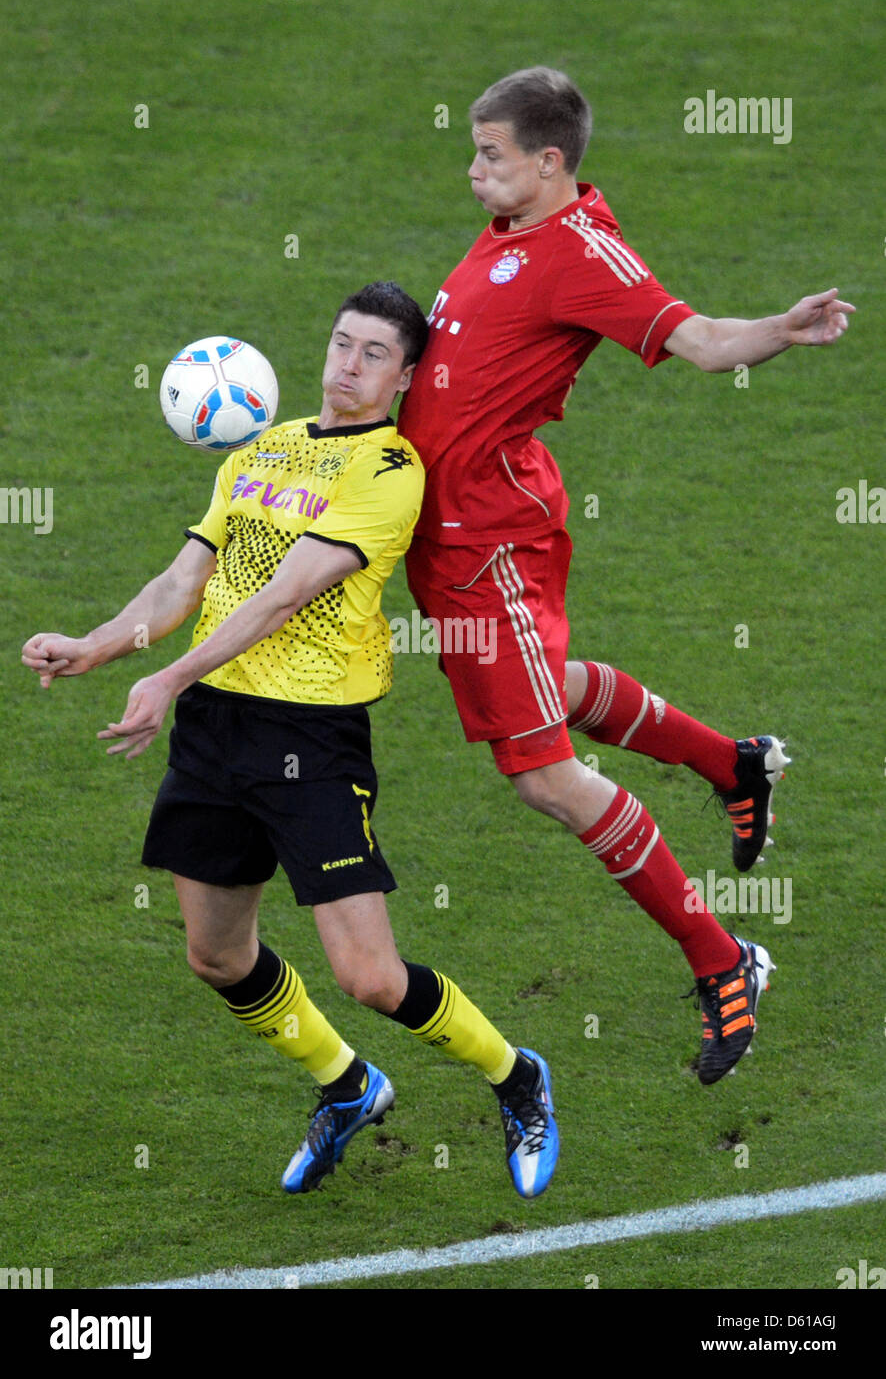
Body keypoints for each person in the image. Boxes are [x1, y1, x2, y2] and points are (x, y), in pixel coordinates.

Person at [21, 282, 559, 1200]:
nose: (347, 367)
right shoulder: (261, 447)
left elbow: (283, 597)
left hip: (310, 737)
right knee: (216, 956)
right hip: (214, 731)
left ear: (405, 374)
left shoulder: (390, 471)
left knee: (371, 976)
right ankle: (348, 1086)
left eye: (372, 354)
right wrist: (98, 645)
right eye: (340, 344)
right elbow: (185, 577)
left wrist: (169, 675)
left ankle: (518, 1076)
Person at [396, 68, 854, 1090]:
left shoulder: (577, 250)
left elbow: (694, 342)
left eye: (490, 155)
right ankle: (734, 765)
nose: (473, 171)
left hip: (492, 545)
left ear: (548, 162)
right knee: (543, 698)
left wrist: (776, 331)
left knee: (543, 774)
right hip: (451, 539)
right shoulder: (508, 231)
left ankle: (722, 958)